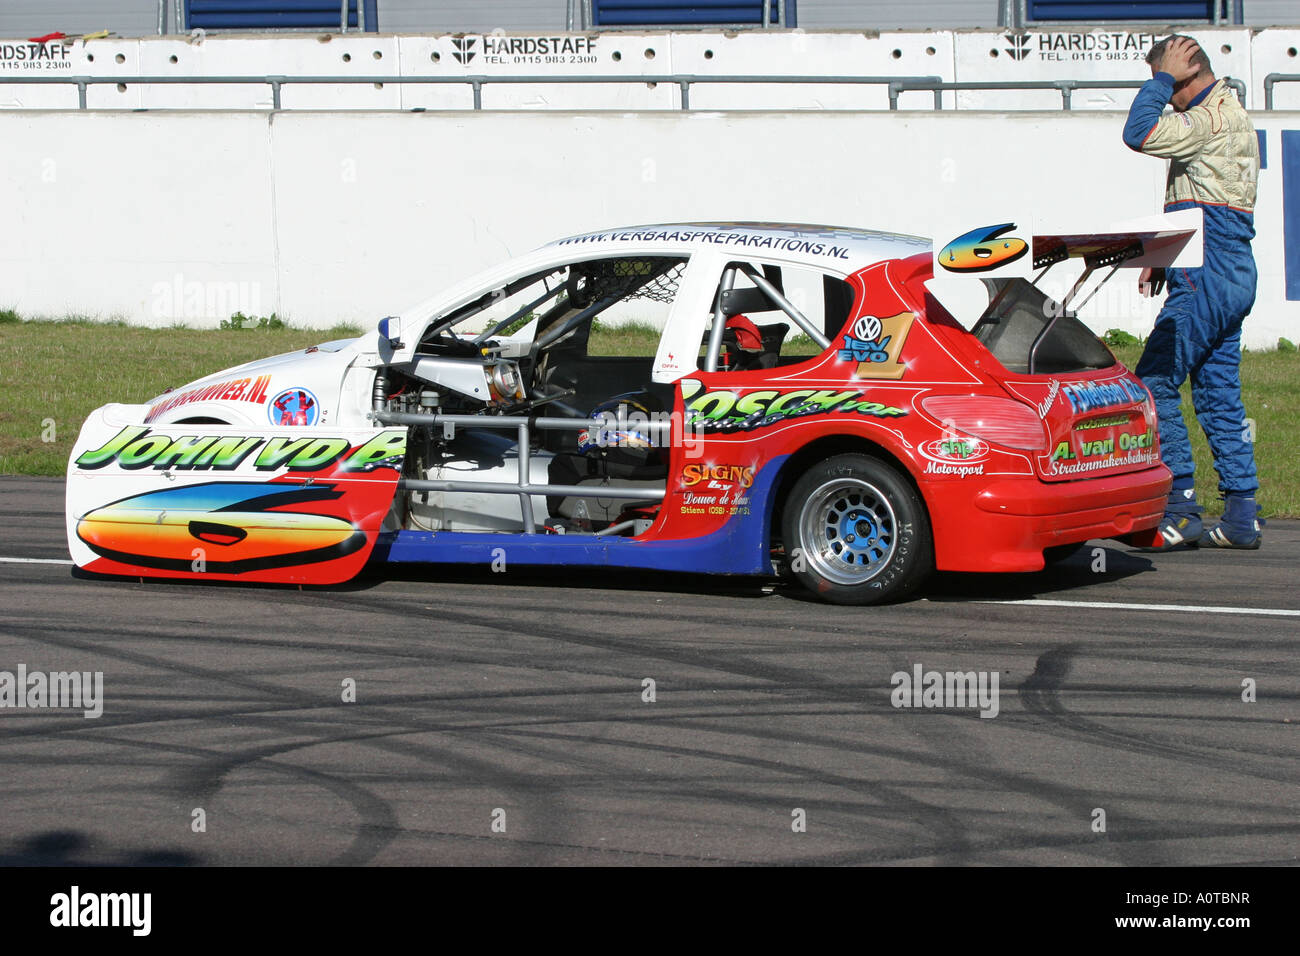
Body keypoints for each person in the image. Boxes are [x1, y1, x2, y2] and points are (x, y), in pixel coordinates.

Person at [1122, 35, 1263, 549]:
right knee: (1219, 394)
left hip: (1209, 269)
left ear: (1187, 72)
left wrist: (1161, 79)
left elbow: (1137, 133)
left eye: (1162, 79)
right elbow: (1199, 195)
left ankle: (1179, 510)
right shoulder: (1223, 113)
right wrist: (1163, 254)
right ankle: (1243, 515)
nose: (1160, 91)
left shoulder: (1210, 117)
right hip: (1227, 268)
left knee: (1153, 383)